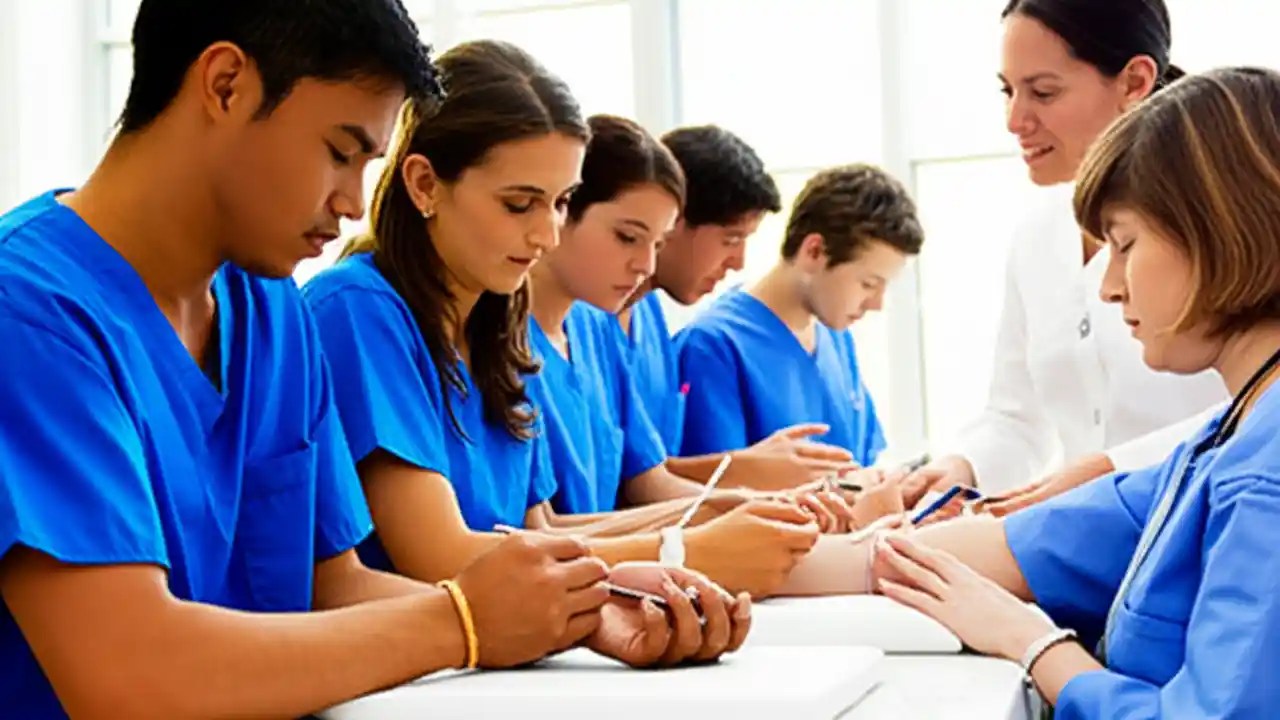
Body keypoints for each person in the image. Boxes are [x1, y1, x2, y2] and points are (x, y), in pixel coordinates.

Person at [0, 7, 741, 716]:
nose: (355, 202)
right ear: (225, 85)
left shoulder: (270, 311)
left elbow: (335, 587)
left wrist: (576, 615)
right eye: (339, 151)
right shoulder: (29, 308)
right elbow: (130, 675)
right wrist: (462, 624)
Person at [304, 46, 819, 599]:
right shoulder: (359, 309)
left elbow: (539, 533)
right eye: (519, 204)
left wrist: (706, 513)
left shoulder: (495, 324)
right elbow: (444, 555)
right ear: (425, 184)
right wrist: (683, 547)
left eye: (560, 203)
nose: (547, 236)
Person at [869, 66, 1280, 717]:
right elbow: (1023, 543)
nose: (1110, 286)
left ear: (1221, 231)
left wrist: (1032, 642)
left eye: (1124, 245)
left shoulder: (1261, 475)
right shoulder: (1221, 442)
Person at [911, 0, 1226, 508]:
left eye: (1043, 92)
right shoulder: (1036, 238)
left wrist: (1107, 470)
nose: (1015, 119)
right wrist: (958, 468)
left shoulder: (1225, 223)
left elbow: (1257, 407)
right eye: (1007, 91)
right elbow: (1015, 419)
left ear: (1134, 81)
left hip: (1203, 528)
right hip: (1082, 542)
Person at [617, 125, 858, 491]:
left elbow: (651, 469)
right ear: (673, 220)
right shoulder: (593, 325)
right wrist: (743, 471)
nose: (738, 262)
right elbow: (628, 486)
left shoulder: (649, 321)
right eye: (731, 239)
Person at [675, 164, 923, 468]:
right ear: (814, 251)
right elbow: (713, 495)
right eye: (868, 284)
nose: (876, 304)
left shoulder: (835, 336)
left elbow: (860, 465)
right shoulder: (712, 348)